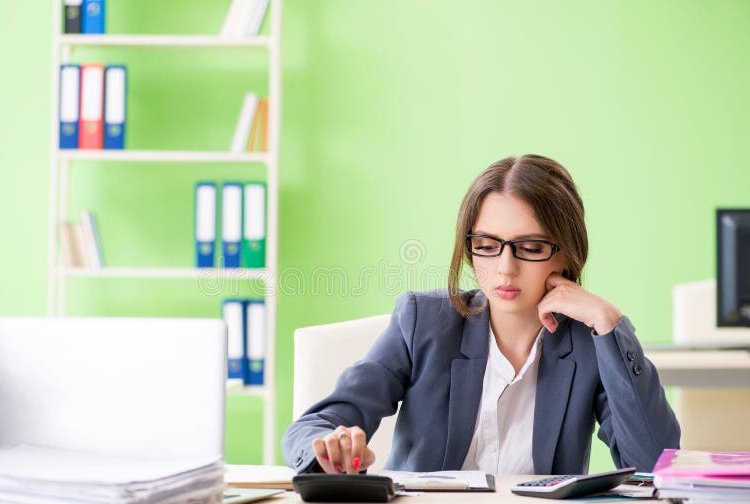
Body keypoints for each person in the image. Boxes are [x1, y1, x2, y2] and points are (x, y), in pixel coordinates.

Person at [282, 154, 680, 476]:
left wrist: (609, 323)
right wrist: (330, 449)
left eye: (531, 246)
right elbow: (311, 428)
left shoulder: (588, 345)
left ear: (565, 252)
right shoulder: (423, 321)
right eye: (487, 244)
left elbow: (655, 463)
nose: (505, 268)